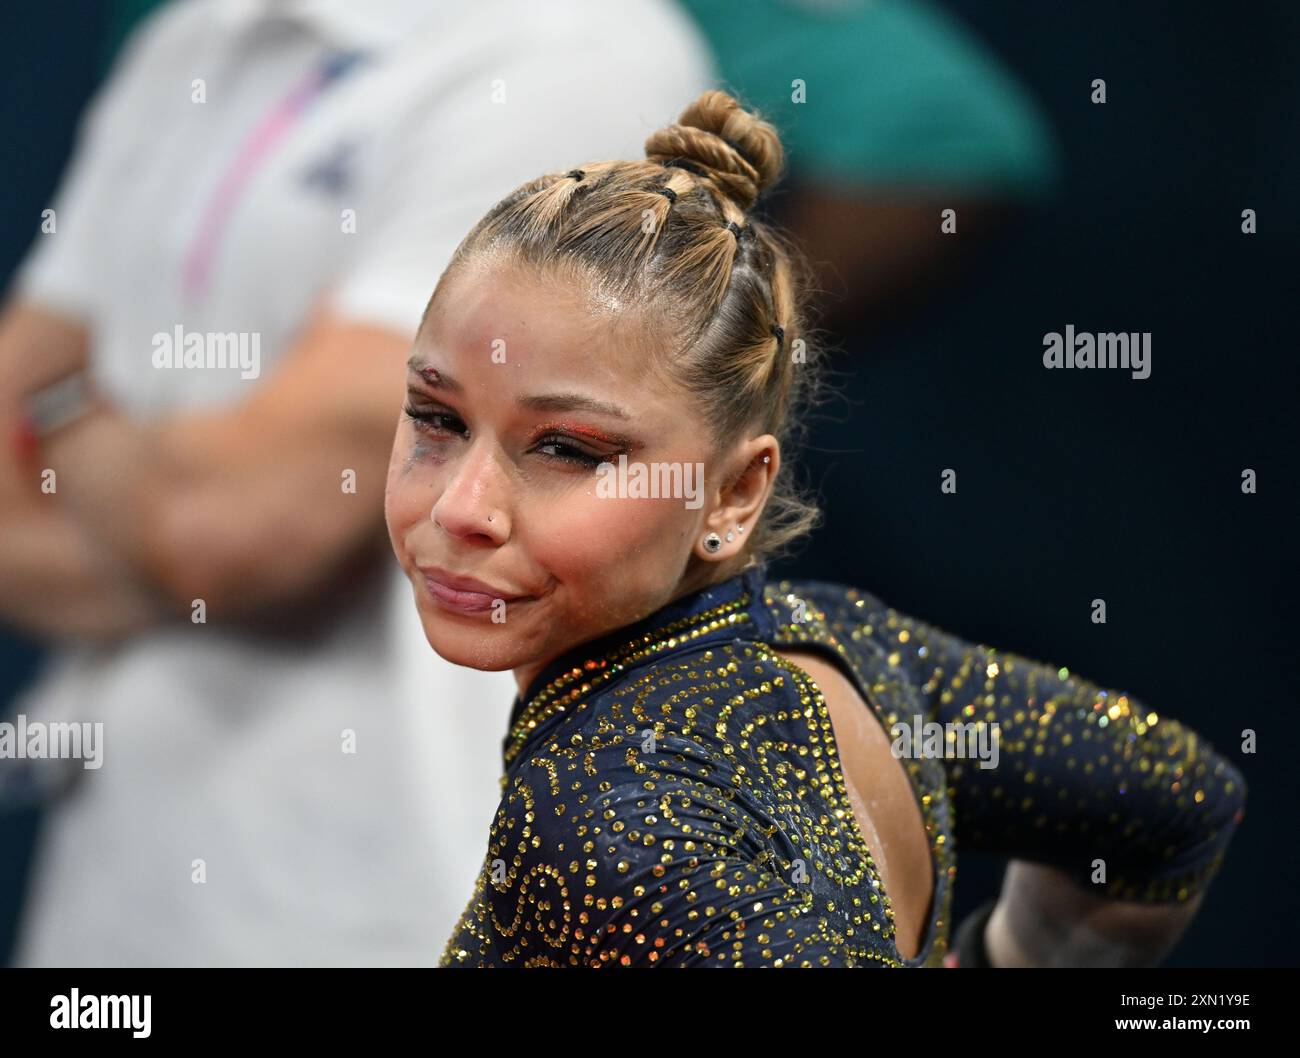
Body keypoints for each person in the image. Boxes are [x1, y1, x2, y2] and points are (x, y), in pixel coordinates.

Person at [383, 90, 1249, 967]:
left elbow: (1176, 807)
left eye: (567, 448)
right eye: (437, 417)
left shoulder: (609, 809)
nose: (462, 505)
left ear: (732, 493)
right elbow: (1172, 799)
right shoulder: (853, 648)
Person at [0, 0, 713, 966]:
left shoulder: (576, 53)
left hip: (381, 915)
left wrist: (73, 433)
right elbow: (192, 521)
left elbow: (229, 532)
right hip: (111, 903)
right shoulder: (193, 40)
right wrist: (164, 509)